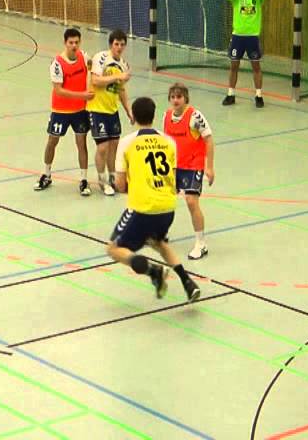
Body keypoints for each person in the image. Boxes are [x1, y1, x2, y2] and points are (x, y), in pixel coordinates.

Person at [107, 97, 200, 302]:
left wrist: (129, 186)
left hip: (142, 207)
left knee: (114, 249)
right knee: (158, 242)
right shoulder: (169, 141)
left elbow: (120, 185)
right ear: (153, 115)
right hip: (167, 207)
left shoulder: (127, 143)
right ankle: (187, 282)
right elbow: (173, 180)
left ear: (133, 115)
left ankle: (153, 270)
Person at [35, 28, 95, 196]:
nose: (74, 46)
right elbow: (59, 90)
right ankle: (46, 174)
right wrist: (82, 95)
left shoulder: (84, 57)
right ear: (65, 43)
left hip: (80, 111)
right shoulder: (57, 64)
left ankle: (84, 179)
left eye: (77, 42)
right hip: (60, 110)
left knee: (81, 143)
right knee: (52, 141)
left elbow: (94, 66)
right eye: (71, 43)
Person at [162, 84, 215, 260]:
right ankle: (162, 232)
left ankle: (201, 243)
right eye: (172, 97)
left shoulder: (195, 117)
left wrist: (209, 167)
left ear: (186, 98)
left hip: (193, 165)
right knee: (165, 199)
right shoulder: (167, 116)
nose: (175, 100)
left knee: (191, 201)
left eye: (179, 97)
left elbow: (209, 140)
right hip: (174, 166)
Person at [87, 29, 133, 196]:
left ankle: (112, 177)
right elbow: (96, 81)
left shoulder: (124, 65)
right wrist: (117, 77)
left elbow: (121, 90)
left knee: (114, 146)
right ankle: (102, 180)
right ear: (111, 44)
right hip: (97, 109)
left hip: (112, 111)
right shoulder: (101, 58)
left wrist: (128, 111)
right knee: (103, 147)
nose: (119, 47)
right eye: (116, 44)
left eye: (122, 44)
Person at [220, 0, 273, 108]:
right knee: (234, 66)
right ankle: (230, 95)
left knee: (256, 66)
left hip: (252, 38)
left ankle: (259, 96)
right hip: (238, 37)